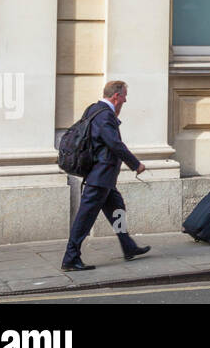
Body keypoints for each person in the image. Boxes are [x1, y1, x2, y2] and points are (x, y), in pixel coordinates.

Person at [60, 80, 151, 271]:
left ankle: (128, 246)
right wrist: (136, 164)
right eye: (124, 97)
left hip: (104, 178)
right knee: (85, 218)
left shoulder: (93, 109)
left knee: (117, 209)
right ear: (116, 96)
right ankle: (70, 257)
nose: (125, 101)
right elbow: (114, 144)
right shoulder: (105, 116)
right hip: (100, 177)